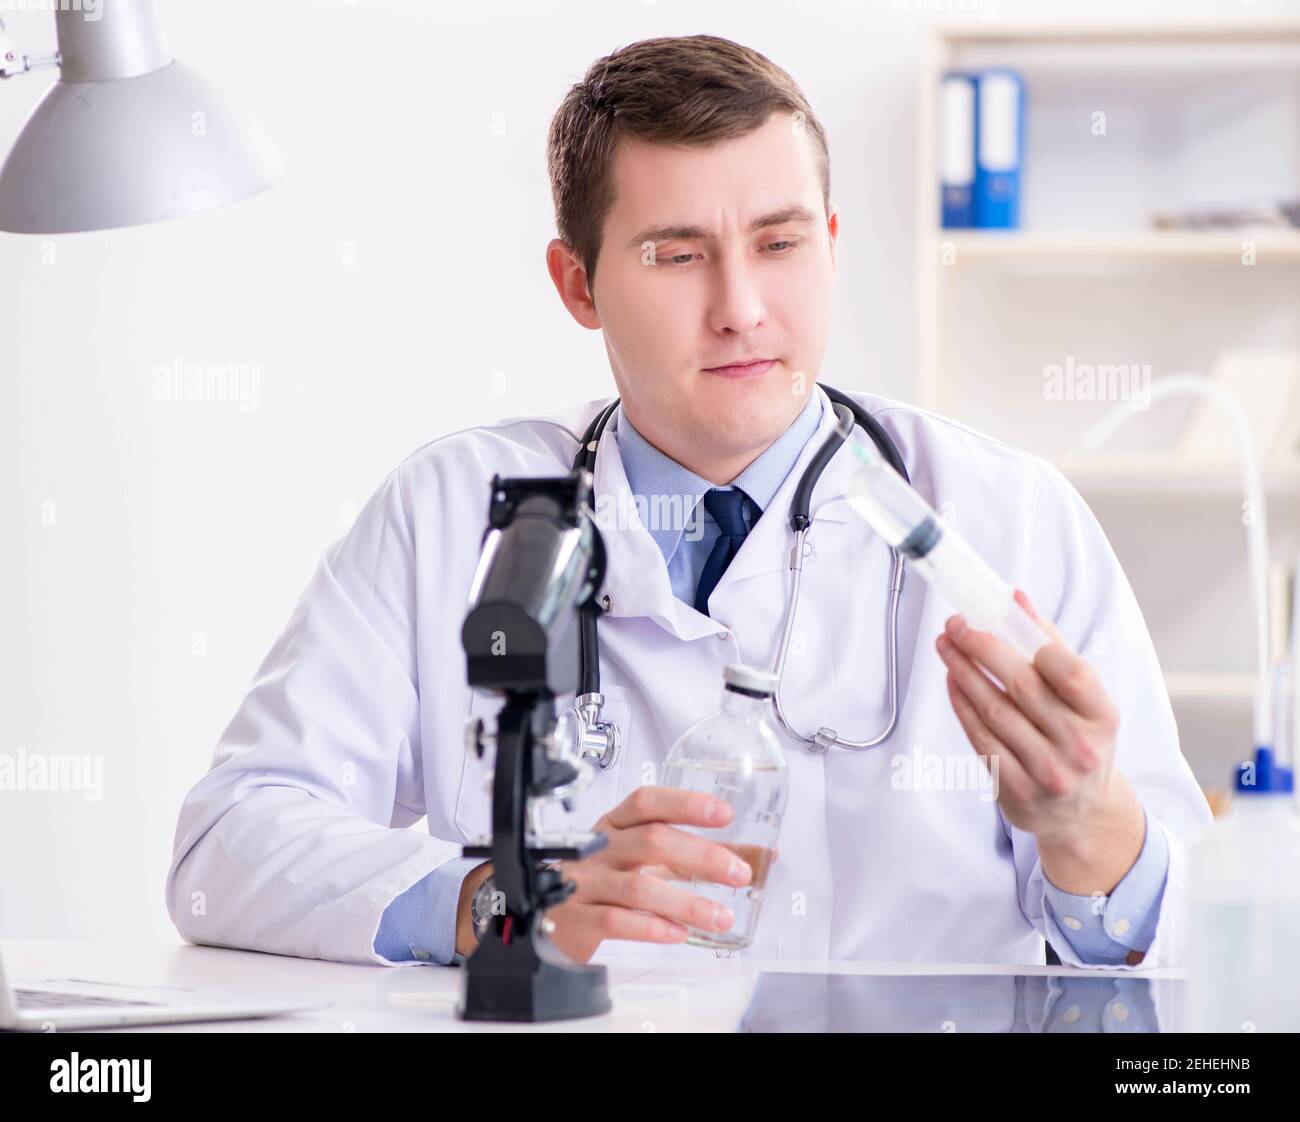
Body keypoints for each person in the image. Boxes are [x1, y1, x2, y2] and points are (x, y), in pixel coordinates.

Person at [166, 34, 1211, 972]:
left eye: (780, 243)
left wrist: (1087, 828)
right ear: (578, 285)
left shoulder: (1009, 517)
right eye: (677, 255)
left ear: (833, 243)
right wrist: (504, 900)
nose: (740, 309)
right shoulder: (451, 515)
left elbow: (1176, 940)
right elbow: (228, 845)